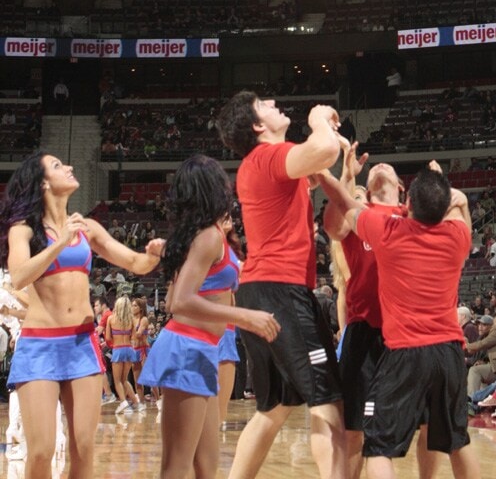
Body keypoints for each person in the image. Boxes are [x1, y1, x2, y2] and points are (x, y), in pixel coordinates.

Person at [0, 150, 164, 479]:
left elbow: (134, 262)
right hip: (39, 345)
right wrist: (60, 242)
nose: (70, 166)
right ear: (43, 183)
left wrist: (153, 255)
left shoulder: (87, 227)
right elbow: (19, 276)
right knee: (41, 451)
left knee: (83, 449)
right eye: (58, 165)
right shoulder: (24, 230)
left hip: (81, 344)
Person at [319, 161, 480, 479]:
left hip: (403, 344)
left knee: (391, 442)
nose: (380, 166)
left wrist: (324, 173)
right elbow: (334, 226)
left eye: (388, 169)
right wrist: (348, 177)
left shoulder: (390, 229)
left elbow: (342, 201)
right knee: (453, 439)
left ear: (405, 194)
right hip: (387, 336)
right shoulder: (450, 232)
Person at [215, 91, 346, 479]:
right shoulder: (269, 157)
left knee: (272, 409)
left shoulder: (262, 166)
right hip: (280, 292)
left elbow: (316, 170)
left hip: (260, 291)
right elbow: (324, 149)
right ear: (258, 126)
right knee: (328, 402)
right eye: (264, 105)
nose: (273, 102)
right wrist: (318, 118)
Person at [139, 154, 280, 479]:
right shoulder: (208, 236)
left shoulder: (210, 235)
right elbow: (179, 301)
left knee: (206, 465)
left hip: (202, 349)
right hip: (186, 348)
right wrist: (243, 316)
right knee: (177, 467)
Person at [104, 295, 141, 411]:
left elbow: (108, 338)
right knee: (124, 380)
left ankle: (123, 402)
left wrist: (114, 342)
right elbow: (134, 337)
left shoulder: (111, 319)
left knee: (117, 380)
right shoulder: (132, 320)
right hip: (129, 350)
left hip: (118, 349)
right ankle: (135, 402)